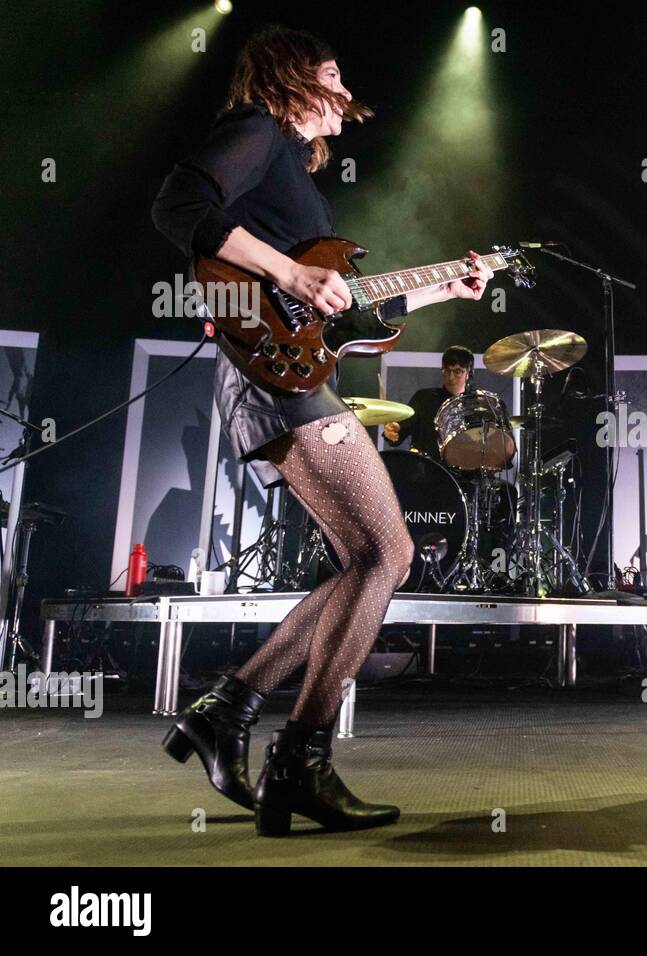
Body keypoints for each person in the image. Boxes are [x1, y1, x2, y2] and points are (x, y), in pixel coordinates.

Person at [151, 26, 492, 835]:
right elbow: (179, 206)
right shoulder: (258, 131)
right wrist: (288, 271)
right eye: (332, 76)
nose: (346, 93)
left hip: (288, 373)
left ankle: (229, 711)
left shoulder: (295, 180)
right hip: (274, 382)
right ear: (291, 79)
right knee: (389, 553)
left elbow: (343, 316)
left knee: (370, 558)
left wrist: (455, 285)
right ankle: (296, 758)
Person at [382, 344, 475, 458]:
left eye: (458, 372)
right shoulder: (424, 398)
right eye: (446, 371)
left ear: (469, 373)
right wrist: (392, 432)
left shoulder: (476, 404)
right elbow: (399, 433)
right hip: (428, 470)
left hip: (465, 471)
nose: (451, 377)